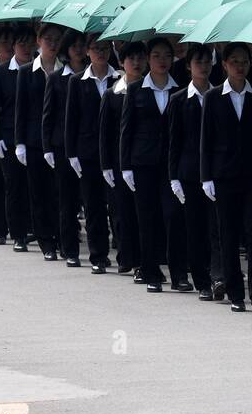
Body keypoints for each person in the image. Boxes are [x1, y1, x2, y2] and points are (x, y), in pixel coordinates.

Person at [201, 41, 252, 311]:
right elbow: (206, 139)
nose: (240, 66)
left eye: (244, 61)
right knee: (227, 235)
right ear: (225, 64)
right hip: (223, 175)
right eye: (235, 61)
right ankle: (235, 293)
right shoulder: (213, 96)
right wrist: (206, 176)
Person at [120, 36, 184, 293]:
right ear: (148, 59)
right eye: (156, 56)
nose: (162, 61)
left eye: (167, 56)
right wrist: (125, 166)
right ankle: (150, 271)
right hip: (142, 162)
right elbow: (126, 130)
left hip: (170, 164)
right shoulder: (136, 89)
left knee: (173, 216)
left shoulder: (179, 89)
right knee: (146, 217)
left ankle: (179, 273)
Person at [65, 34, 118, 273]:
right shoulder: (77, 81)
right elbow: (72, 119)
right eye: (96, 48)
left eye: (105, 48)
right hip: (87, 152)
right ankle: (98, 255)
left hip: (114, 152)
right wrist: (72, 153)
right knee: (93, 205)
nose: (100, 52)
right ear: (87, 51)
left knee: (117, 206)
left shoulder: (119, 78)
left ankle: (125, 253)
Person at [167, 44, 214, 298]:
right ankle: (201, 280)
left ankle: (217, 275)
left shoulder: (219, 95)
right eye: (198, 62)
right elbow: (174, 141)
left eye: (207, 62)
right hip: (189, 172)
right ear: (188, 66)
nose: (203, 67)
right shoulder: (179, 99)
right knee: (194, 228)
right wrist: (173, 176)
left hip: (216, 172)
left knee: (214, 228)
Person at [15, 23, 63, 261]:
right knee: (38, 192)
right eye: (48, 39)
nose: (52, 44)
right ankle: (46, 241)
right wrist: (19, 142)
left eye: (56, 39)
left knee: (59, 192)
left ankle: (61, 236)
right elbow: (21, 109)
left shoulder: (66, 71)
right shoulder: (26, 71)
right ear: (39, 41)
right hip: (34, 140)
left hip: (58, 139)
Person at [0, 25, 34, 251]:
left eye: (30, 43)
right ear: (13, 46)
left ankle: (34, 228)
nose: (26, 48)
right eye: (21, 44)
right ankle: (17, 233)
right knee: (13, 186)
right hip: (8, 139)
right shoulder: (1, 72)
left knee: (33, 186)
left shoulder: (37, 70)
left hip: (33, 138)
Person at [100, 42, 144, 277]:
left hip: (144, 159)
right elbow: (105, 132)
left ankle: (142, 259)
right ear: (121, 62)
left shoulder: (151, 89)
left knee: (142, 212)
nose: (136, 63)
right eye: (131, 59)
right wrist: (106, 164)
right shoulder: (112, 93)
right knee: (122, 211)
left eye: (140, 58)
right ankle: (127, 256)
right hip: (118, 161)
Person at [44, 31, 87, 267]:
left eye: (82, 45)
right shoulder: (56, 78)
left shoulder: (95, 75)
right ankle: (68, 247)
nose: (79, 50)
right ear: (67, 50)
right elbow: (48, 115)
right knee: (67, 200)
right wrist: (47, 146)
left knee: (91, 200)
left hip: (88, 144)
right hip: (62, 145)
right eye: (74, 46)